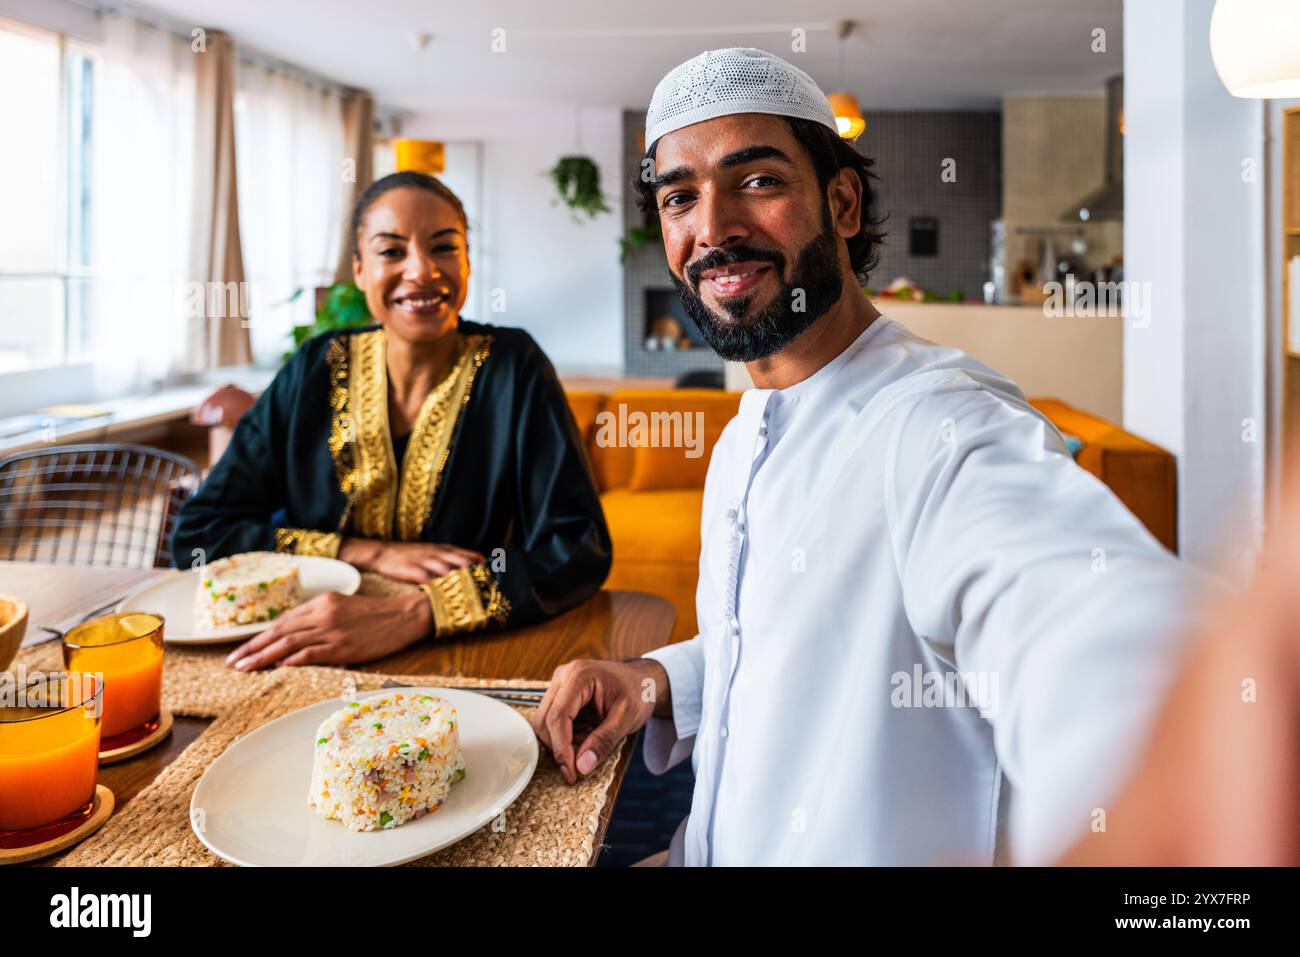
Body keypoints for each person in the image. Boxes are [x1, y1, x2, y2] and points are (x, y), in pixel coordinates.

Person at [534, 48, 1205, 865]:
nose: (712, 227)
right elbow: (785, 640)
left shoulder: (943, 427)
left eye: (757, 181)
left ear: (842, 202)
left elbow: (1107, 652)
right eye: (681, 197)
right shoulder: (748, 430)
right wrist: (651, 680)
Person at [172, 171, 612, 669]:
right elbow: (199, 536)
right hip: (310, 652)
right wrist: (364, 551)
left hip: (469, 653)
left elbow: (577, 548)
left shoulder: (515, 368)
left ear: (468, 262)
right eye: (392, 251)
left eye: (444, 248)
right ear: (360, 271)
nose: (422, 270)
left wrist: (417, 612)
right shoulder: (314, 367)